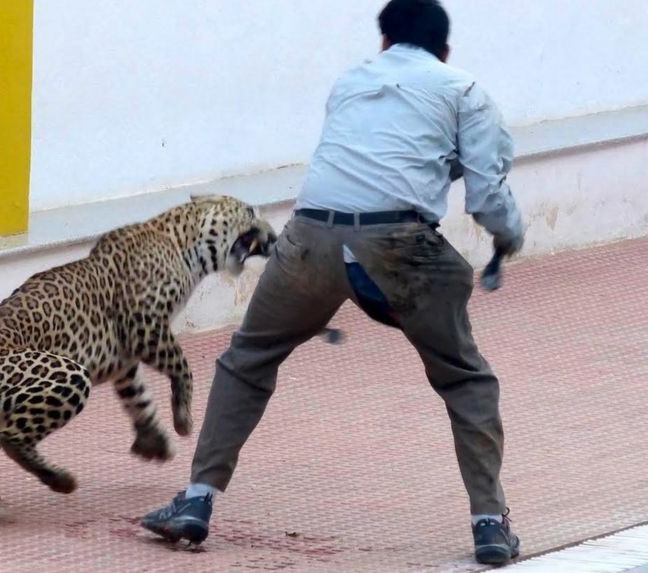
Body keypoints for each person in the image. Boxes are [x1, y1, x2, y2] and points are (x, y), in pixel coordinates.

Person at [141, 0, 524, 565]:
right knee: (466, 380)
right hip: (401, 248)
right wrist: (507, 238)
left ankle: (196, 501)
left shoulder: (350, 82)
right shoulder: (464, 90)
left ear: (384, 43)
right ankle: (490, 525)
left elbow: (362, 163)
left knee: (247, 360)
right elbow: (489, 196)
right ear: (444, 49)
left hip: (309, 238)